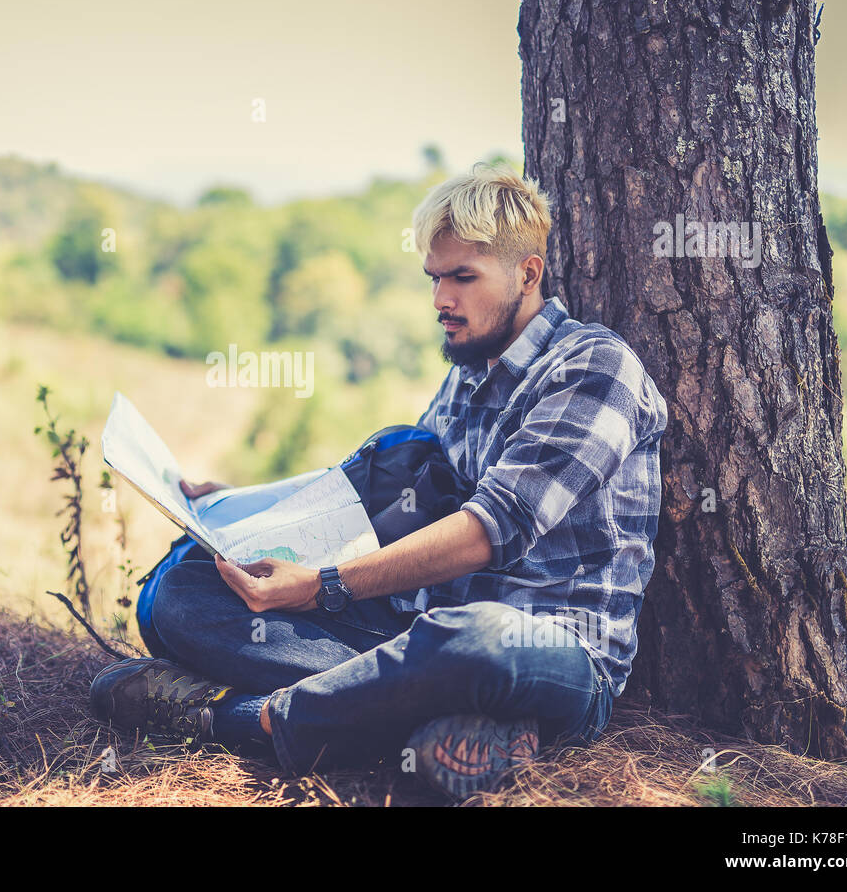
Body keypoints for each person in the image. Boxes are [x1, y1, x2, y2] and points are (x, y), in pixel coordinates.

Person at [89, 162, 668, 800]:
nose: (442, 300)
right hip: (414, 634)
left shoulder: (595, 367)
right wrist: (246, 507)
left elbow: (490, 531)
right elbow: (389, 501)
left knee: (474, 643)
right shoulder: (467, 374)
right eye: (434, 278)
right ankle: (441, 728)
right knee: (184, 592)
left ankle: (238, 719)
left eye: (463, 277)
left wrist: (323, 588)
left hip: (542, 646)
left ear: (527, 273)